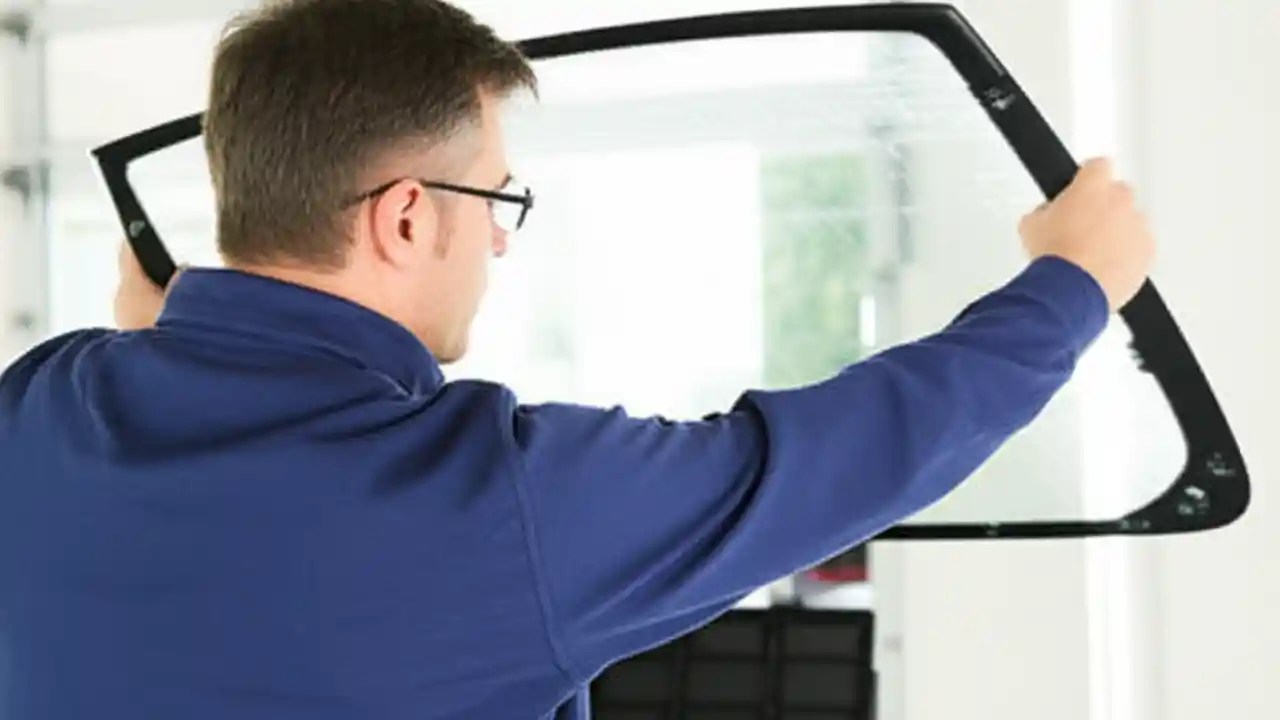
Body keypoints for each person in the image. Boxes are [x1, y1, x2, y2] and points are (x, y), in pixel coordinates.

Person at [0, 0, 1154, 718]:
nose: (499, 236)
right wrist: (1070, 283)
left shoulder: (40, 405)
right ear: (405, 218)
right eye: (496, 197)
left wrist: (162, 345)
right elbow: (839, 458)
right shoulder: (497, 502)